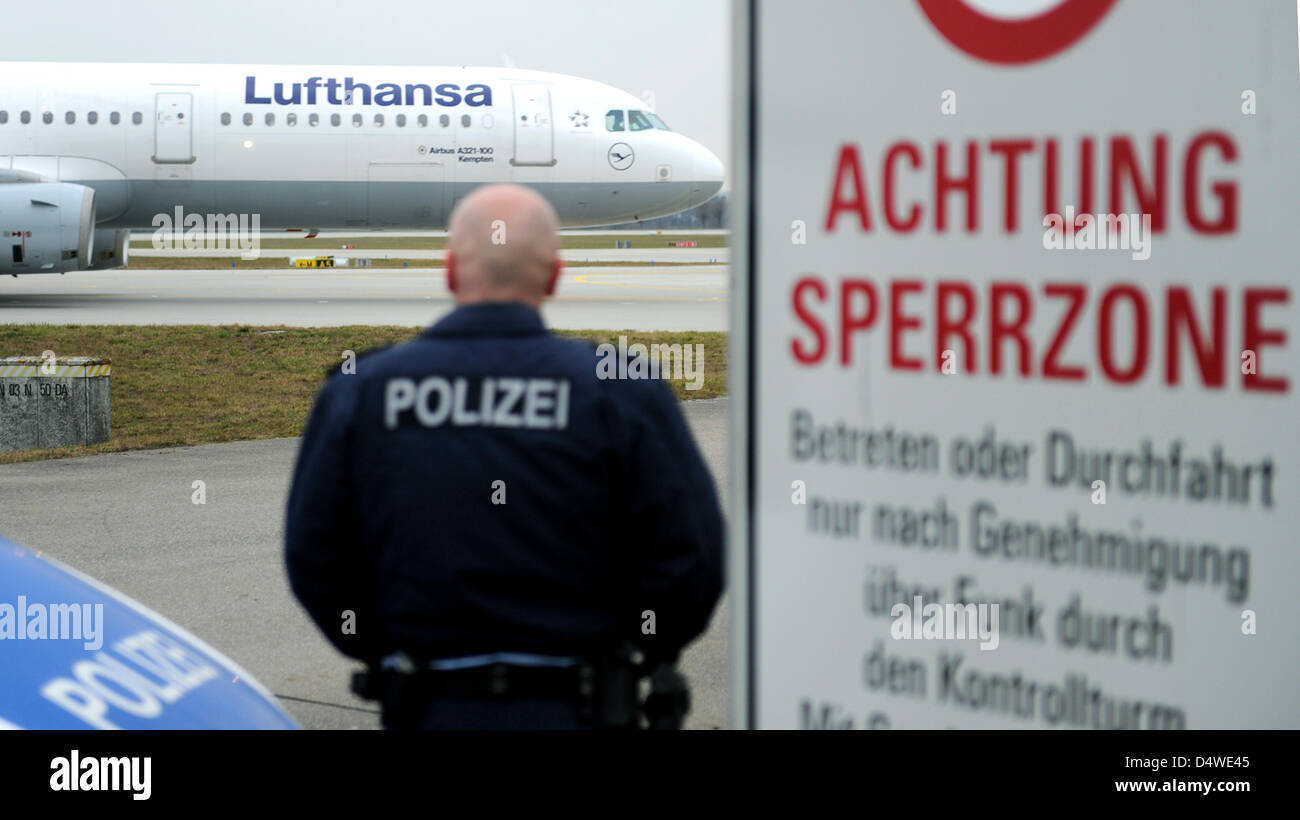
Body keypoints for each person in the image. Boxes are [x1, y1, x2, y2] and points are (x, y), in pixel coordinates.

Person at [284, 184, 724, 729]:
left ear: (449, 271)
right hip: (579, 704)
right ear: (554, 276)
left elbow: (315, 557)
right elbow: (692, 558)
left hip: (430, 704)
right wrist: (637, 647)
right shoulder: (619, 388)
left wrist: (384, 652)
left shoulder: (363, 390)